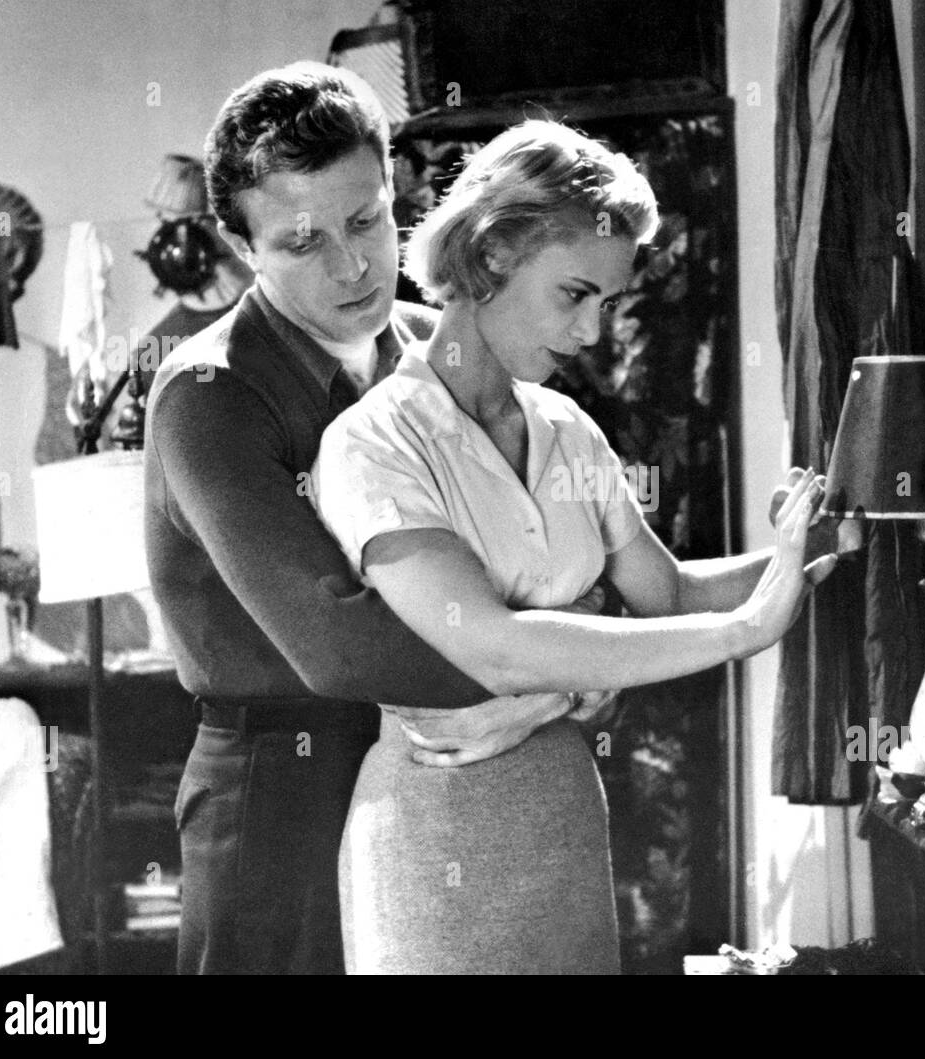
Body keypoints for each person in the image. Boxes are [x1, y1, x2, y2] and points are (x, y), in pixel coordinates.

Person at [311, 120, 838, 974]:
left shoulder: (566, 429)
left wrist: (796, 553)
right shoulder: (375, 444)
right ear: (489, 260)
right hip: (434, 826)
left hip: (560, 805)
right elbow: (500, 646)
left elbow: (664, 594)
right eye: (574, 295)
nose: (594, 332)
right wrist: (747, 633)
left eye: (609, 304)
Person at [145, 64, 600, 975]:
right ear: (245, 251)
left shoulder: (446, 349)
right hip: (281, 786)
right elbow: (337, 639)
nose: (352, 266)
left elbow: (567, 542)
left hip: (450, 764)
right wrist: (556, 675)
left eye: (366, 221)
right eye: (302, 242)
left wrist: (581, 649)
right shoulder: (207, 395)